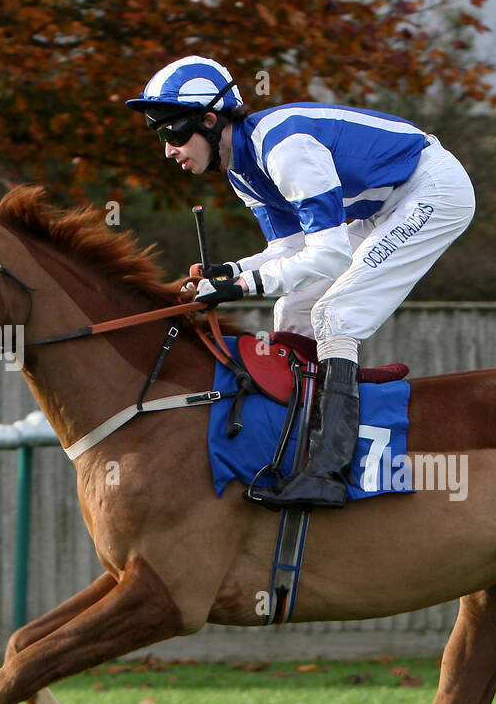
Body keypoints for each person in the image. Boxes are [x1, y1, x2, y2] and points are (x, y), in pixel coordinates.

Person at [127, 56, 475, 509]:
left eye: (173, 133)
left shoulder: (284, 148)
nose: (169, 150)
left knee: (335, 314)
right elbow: (290, 253)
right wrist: (232, 272)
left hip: (432, 191)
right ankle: (294, 447)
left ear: (210, 120)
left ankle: (329, 470)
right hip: (382, 207)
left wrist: (245, 285)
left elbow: (328, 255)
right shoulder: (241, 170)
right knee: (291, 310)